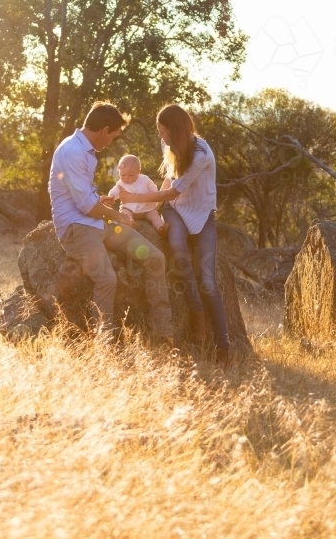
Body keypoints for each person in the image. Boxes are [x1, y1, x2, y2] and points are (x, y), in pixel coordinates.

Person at [119, 103, 254, 362]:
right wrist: (149, 209)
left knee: (208, 282)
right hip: (175, 211)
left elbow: (173, 191)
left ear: (175, 130)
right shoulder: (169, 145)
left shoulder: (202, 154)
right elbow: (169, 184)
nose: (160, 136)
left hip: (203, 216)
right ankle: (197, 314)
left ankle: (224, 347)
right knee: (178, 250)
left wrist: (135, 195)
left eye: (163, 131)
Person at [49, 102, 174, 345]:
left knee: (155, 258)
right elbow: (83, 206)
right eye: (113, 136)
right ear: (104, 129)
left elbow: (84, 197)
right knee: (107, 279)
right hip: (77, 228)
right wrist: (118, 215)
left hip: (97, 222)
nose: (111, 141)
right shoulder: (72, 151)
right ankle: (103, 344)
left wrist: (100, 201)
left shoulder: (85, 151)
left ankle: (163, 331)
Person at [103, 154, 168, 235]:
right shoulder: (120, 183)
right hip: (129, 209)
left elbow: (154, 190)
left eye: (130, 175)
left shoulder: (145, 180)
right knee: (124, 212)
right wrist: (111, 196)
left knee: (154, 215)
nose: (126, 177)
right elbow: (115, 190)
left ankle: (161, 228)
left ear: (138, 172)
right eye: (123, 175)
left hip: (146, 209)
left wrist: (151, 194)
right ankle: (131, 222)